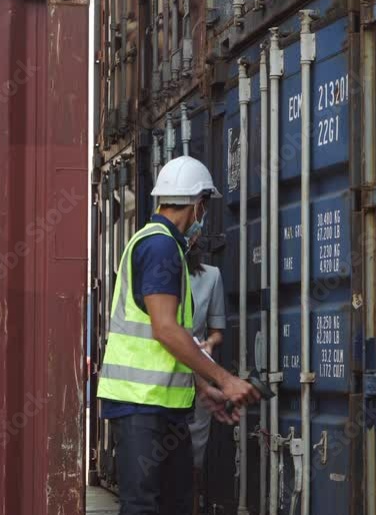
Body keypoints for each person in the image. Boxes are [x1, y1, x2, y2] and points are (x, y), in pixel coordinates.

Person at [96, 155, 260, 515]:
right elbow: (166, 330)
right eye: (205, 206)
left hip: (162, 406)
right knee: (144, 507)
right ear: (198, 203)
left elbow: (165, 338)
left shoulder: (163, 244)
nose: (204, 215)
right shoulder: (160, 247)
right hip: (142, 405)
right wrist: (225, 379)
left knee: (176, 503)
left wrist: (201, 388)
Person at [184, 240, 226, 507]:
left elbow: (217, 330)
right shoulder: (160, 270)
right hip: (164, 377)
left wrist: (209, 344)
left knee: (193, 460)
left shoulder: (211, 276)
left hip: (197, 374)